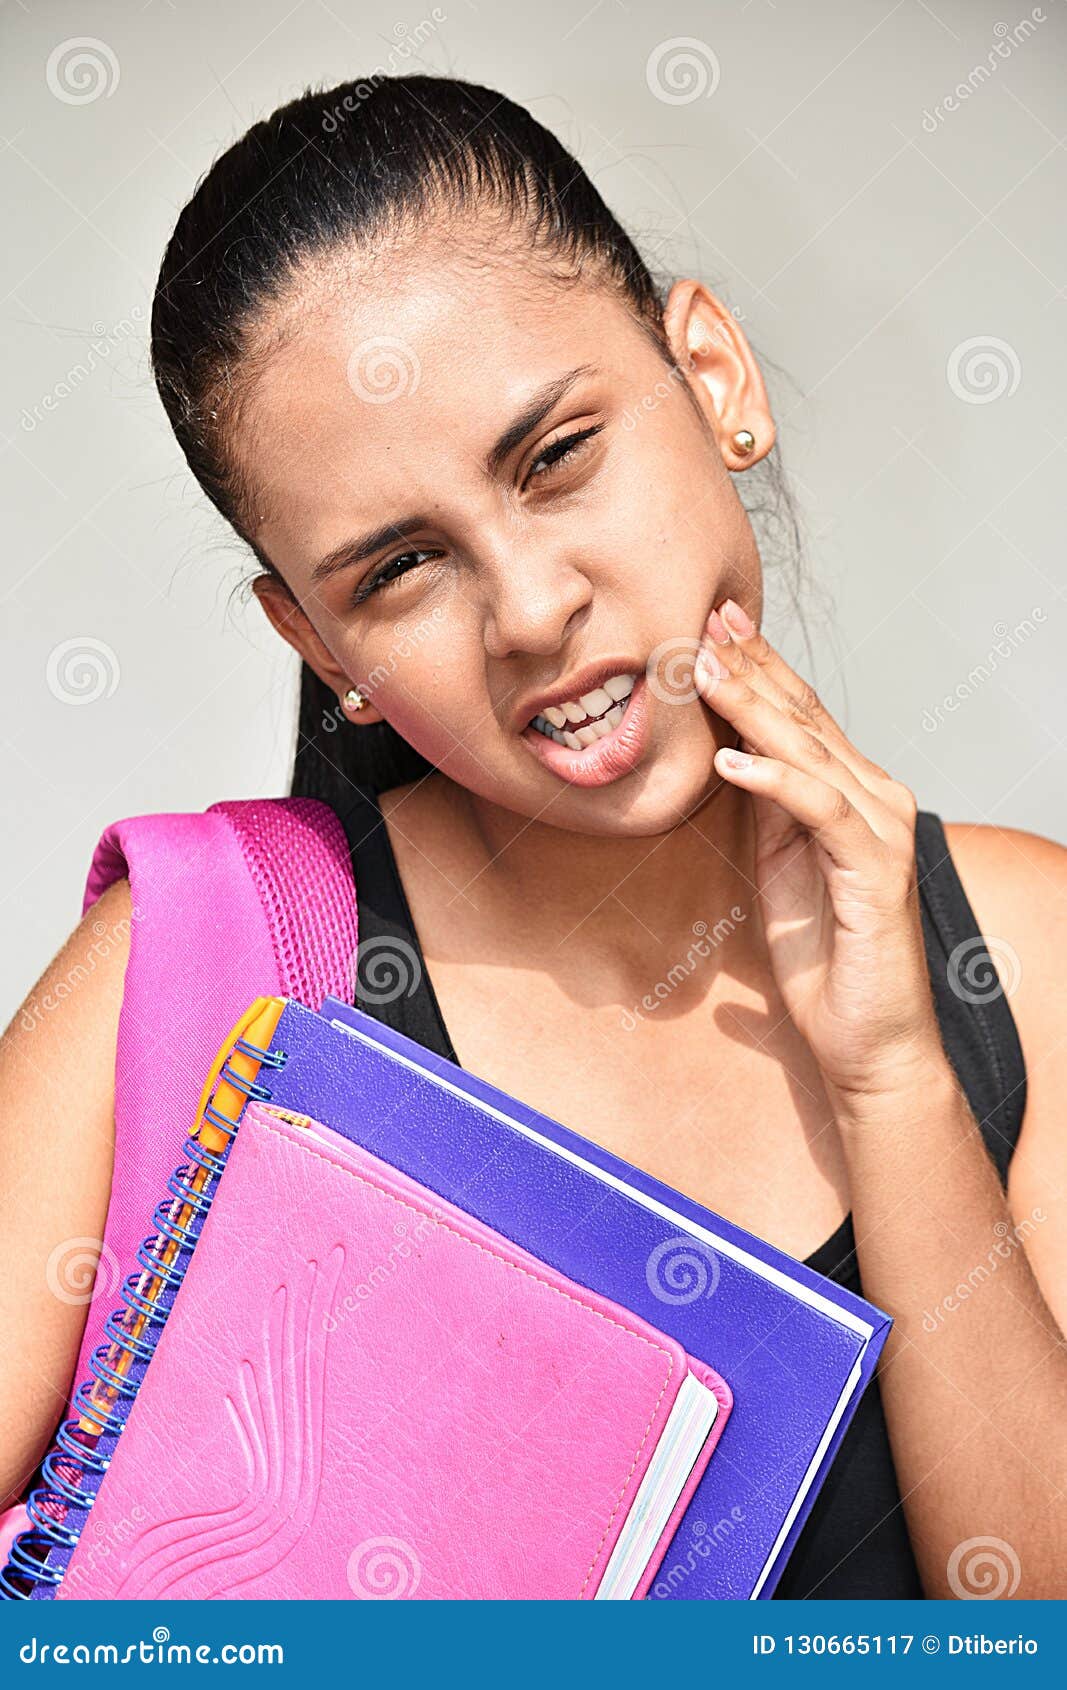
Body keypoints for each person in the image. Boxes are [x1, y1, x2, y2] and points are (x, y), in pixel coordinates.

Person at [2, 73, 1064, 1600]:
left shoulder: (1027, 956)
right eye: (402, 567)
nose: (531, 608)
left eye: (556, 455)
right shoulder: (188, 965)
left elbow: (1035, 1621)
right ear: (320, 645)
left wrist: (895, 1076)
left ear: (714, 376)